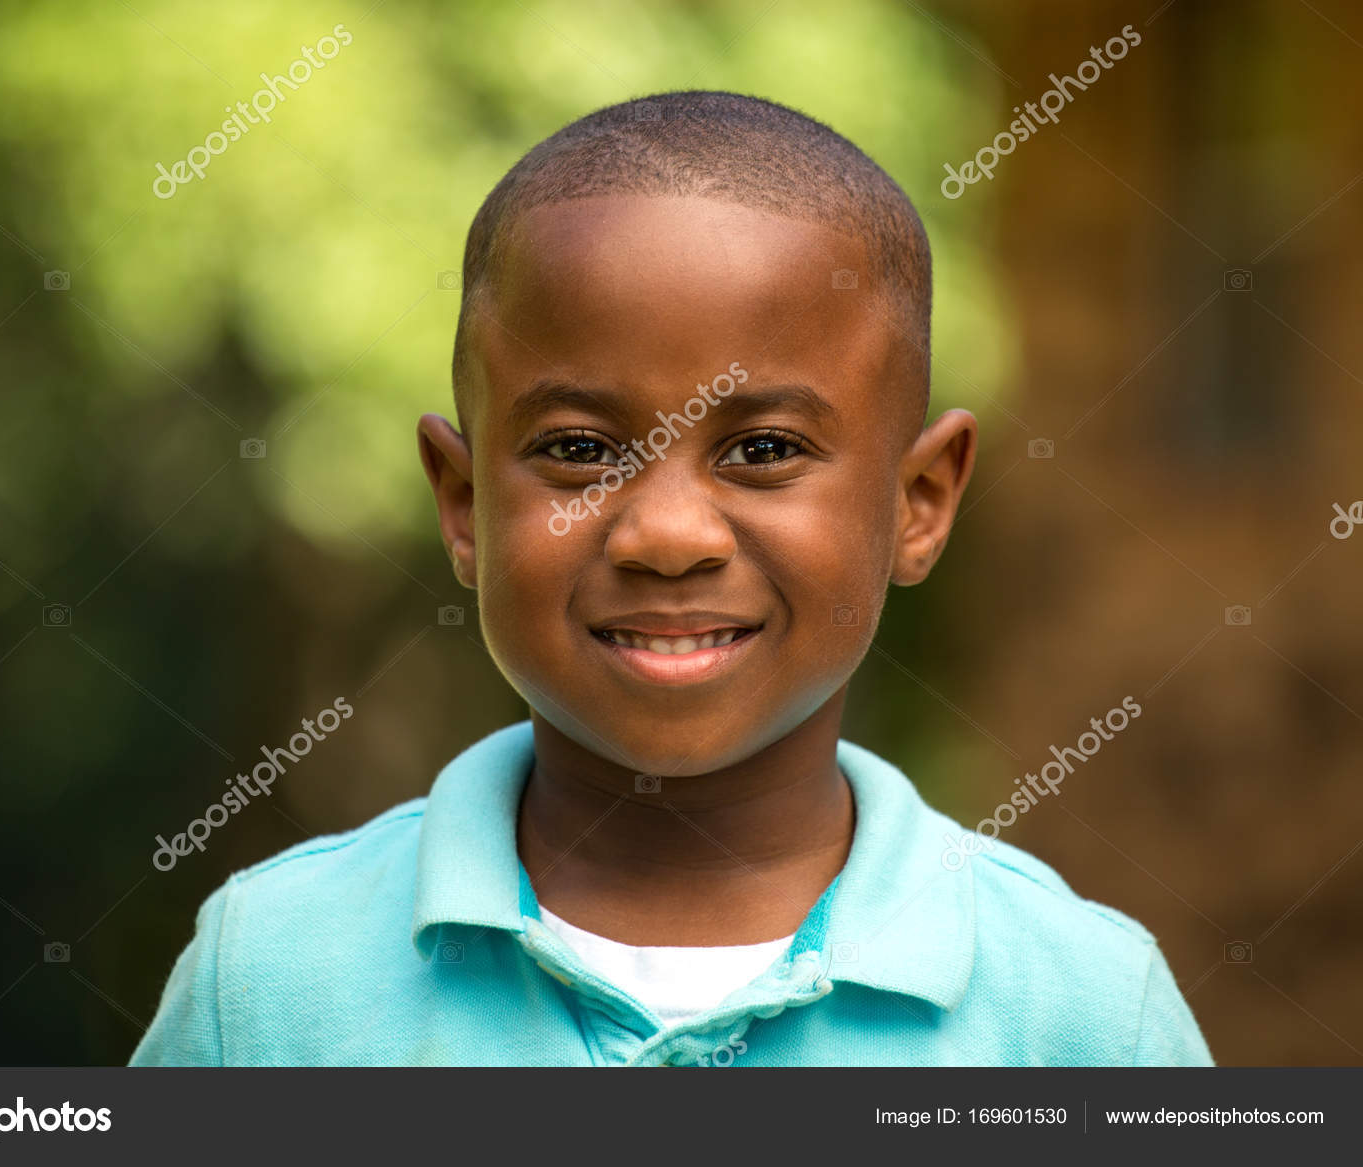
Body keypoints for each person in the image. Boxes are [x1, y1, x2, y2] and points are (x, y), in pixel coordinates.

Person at [130, 91, 1210, 1066]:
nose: (666, 535)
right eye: (579, 451)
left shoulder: (1079, 1014)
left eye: (765, 451)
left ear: (916, 503)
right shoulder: (270, 980)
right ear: (462, 505)